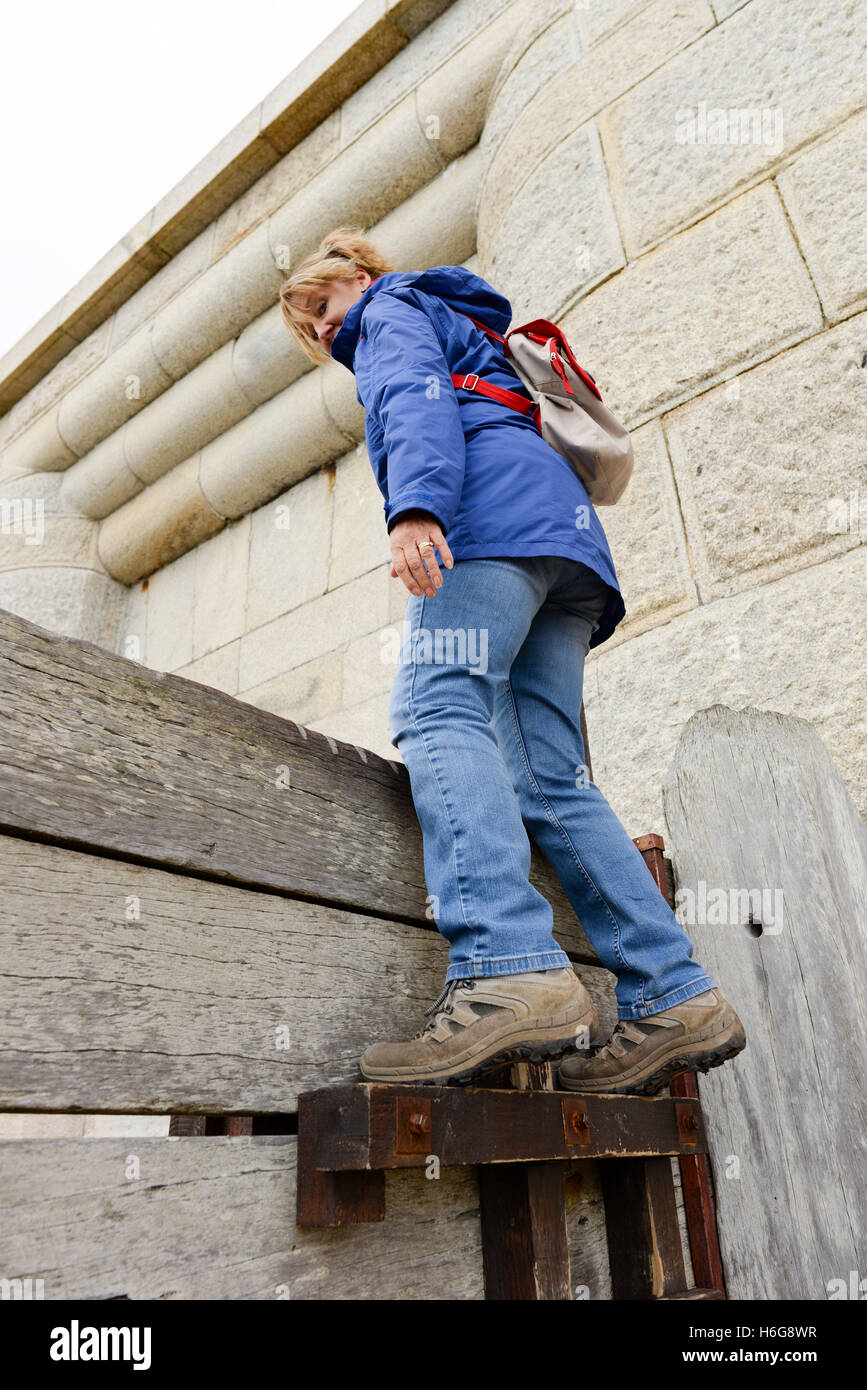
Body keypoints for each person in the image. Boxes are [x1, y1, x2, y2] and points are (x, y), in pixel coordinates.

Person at [279, 225, 746, 1095]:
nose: (322, 328)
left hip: (489, 526)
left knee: (437, 706)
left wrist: (415, 507)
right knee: (548, 776)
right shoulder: (466, 320)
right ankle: (673, 993)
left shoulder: (391, 308)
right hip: (566, 549)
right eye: (308, 328)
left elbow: (411, 397)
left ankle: (507, 968)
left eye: (321, 303)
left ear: (360, 275)